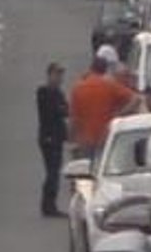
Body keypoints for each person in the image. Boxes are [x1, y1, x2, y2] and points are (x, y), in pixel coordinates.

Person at [69, 54, 139, 162]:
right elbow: (135, 99)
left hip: (86, 141)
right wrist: (120, 114)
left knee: (86, 168)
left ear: (91, 68)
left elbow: (74, 119)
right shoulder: (109, 85)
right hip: (106, 137)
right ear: (105, 70)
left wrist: (72, 140)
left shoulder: (78, 88)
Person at [37, 62, 70, 217]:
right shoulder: (44, 92)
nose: (59, 78)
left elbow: (66, 110)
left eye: (61, 75)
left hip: (57, 137)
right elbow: (54, 111)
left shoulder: (58, 93)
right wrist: (61, 109)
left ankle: (50, 203)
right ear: (49, 75)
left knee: (54, 171)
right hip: (48, 137)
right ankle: (48, 205)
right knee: (52, 172)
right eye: (57, 74)